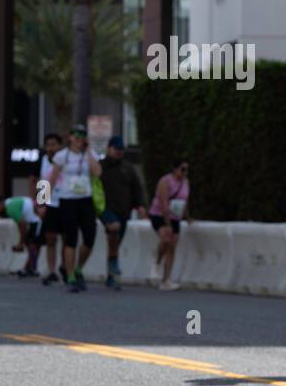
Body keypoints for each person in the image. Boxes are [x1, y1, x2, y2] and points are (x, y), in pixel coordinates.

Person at [47, 124, 102, 293]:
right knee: (70, 238)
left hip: (85, 199)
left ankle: (78, 267)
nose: (79, 139)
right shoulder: (62, 156)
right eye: (76, 136)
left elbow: (98, 173)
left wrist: (88, 151)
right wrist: (42, 202)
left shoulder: (89, 154)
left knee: (89, 237)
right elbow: (51, 178)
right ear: (70, 137)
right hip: (67, 200)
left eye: (82, 136)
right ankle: (70, 275)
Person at [98, 136, 148, 290]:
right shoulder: (100, 167)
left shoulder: (127, 168)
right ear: (109, 148)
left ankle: (111, 274)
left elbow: (137, 188)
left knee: (115, 240)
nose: (119, 152)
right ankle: (113, 266)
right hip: (105, 208)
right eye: (116, 149)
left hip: (123, 210)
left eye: (121, 150)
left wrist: (140, 205)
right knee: (114, 228)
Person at [150, 159, 191, 291]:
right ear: (175, 169)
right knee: (166, 239)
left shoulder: (186, 183)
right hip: (160, 215)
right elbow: (163, 202)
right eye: (182, 169)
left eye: (186, 170)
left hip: (175, 217)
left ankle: (166, 279)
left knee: (173, 246)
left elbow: (184, 201)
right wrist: (168, 224)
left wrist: (188, 217)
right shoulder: (165, 181)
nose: (184, 172)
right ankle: (157, 262)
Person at [35, 133, 64, 285]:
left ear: (60, 146)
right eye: (48, 145)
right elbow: (42, 181)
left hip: (66, 203)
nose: (51, 148)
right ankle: (52, 271)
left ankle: (66, 267)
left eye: (54, 144)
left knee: (67, 238)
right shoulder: (43, 161)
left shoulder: (66, 160)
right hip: (51, 204)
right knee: (50, 238)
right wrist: (41, 204)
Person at [0, 195, 41, 275]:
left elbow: (23, 225)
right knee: (31, 244)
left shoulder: (10, 209)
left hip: (35, 220)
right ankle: (29, 267)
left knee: (33, 244)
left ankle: (30, 268)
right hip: (32, 218)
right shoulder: (9, 203)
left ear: (0, 204)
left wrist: (20, 243)